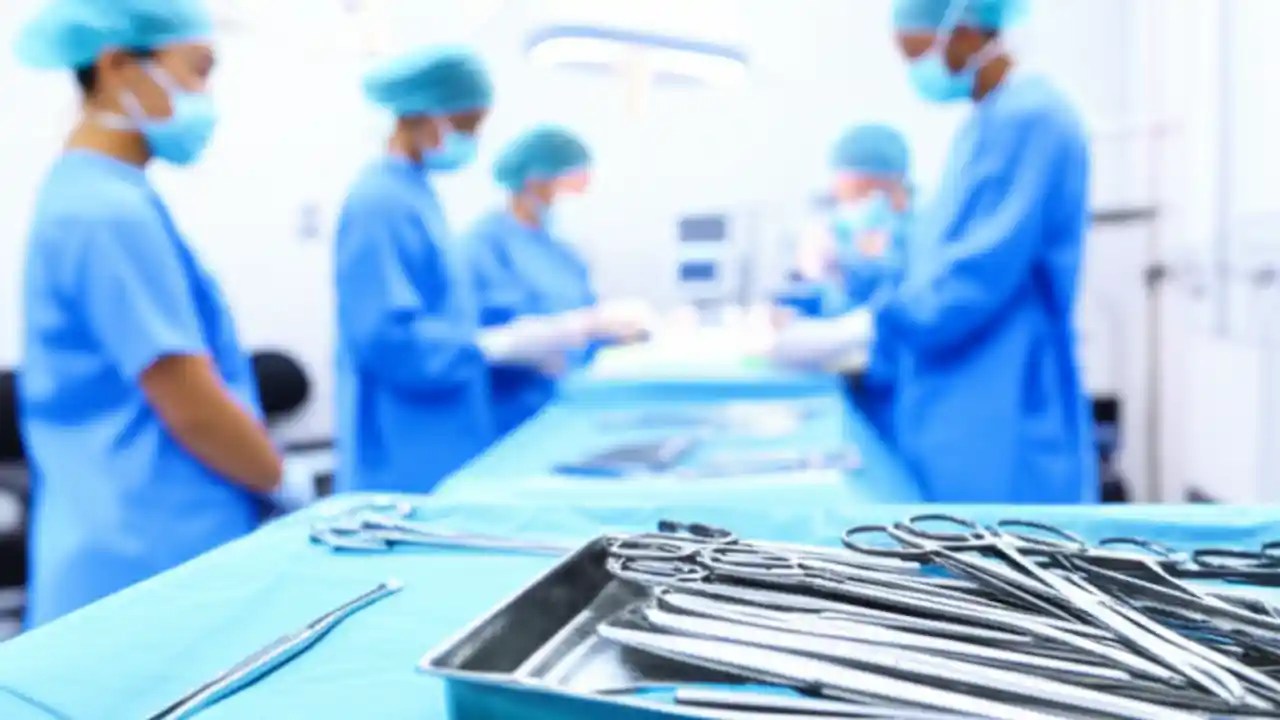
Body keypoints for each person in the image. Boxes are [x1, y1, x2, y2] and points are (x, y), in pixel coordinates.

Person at [15, 0, 283, 627]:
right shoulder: (105, 212)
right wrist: (277, 480)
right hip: (144, 555)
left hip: (128, 533)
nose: (205, 95)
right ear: (116, 65)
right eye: (196, 69)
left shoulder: (101, 195)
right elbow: (190, 405)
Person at [335, 48, 594, 493]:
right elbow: (385, 338)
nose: (471, 139)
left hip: (448, 433)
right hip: (405, 449)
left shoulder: (415, 196)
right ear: (425, 114)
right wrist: (494, 345)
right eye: (466, 125)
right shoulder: (380, 202)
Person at [883, 0, 1097, 503]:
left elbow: (978, 272)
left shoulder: (1030, 119)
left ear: (964, 29)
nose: (918, 71)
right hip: (967, 385)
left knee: (1003, 558)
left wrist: (888, 313)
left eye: (916, 53)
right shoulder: (987, 119)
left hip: (999, 392)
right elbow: (940, 245)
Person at [463, 125, 609, 435]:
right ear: (533, 180)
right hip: (510, 413)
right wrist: (541, 346)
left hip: (568, 404)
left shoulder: (562, 252)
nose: (574, 195)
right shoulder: (483, 245)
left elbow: (589, 323)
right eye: (568, 184)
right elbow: (473, 340)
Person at [827, 124, 914, 444]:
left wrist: (847, 265)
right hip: (871, 368)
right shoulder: (859, 222)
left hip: (898, 374)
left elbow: (899, 294)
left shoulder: (910, 227)